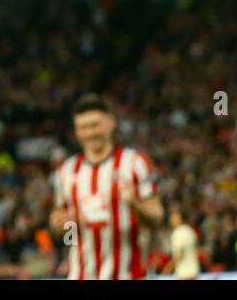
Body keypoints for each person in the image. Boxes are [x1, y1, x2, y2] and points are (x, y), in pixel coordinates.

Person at [49, 93, 163, 280]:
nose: (90, 133)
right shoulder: (66, 171)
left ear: (111, 123)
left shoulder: (135, 163)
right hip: (81, 276)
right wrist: (58, 224)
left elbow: (157, 217)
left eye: (94, 125)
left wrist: (134, 203)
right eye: (83, 127)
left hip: (130, 275)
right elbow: (57, 222)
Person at [164, 207, 200, 280]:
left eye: (174, 217)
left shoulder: (178, 232)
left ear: (180, 218)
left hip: (184, 273)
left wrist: (168, 268)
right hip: (194, 271)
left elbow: (180, 254)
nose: (171, 220)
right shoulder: (190, 230)